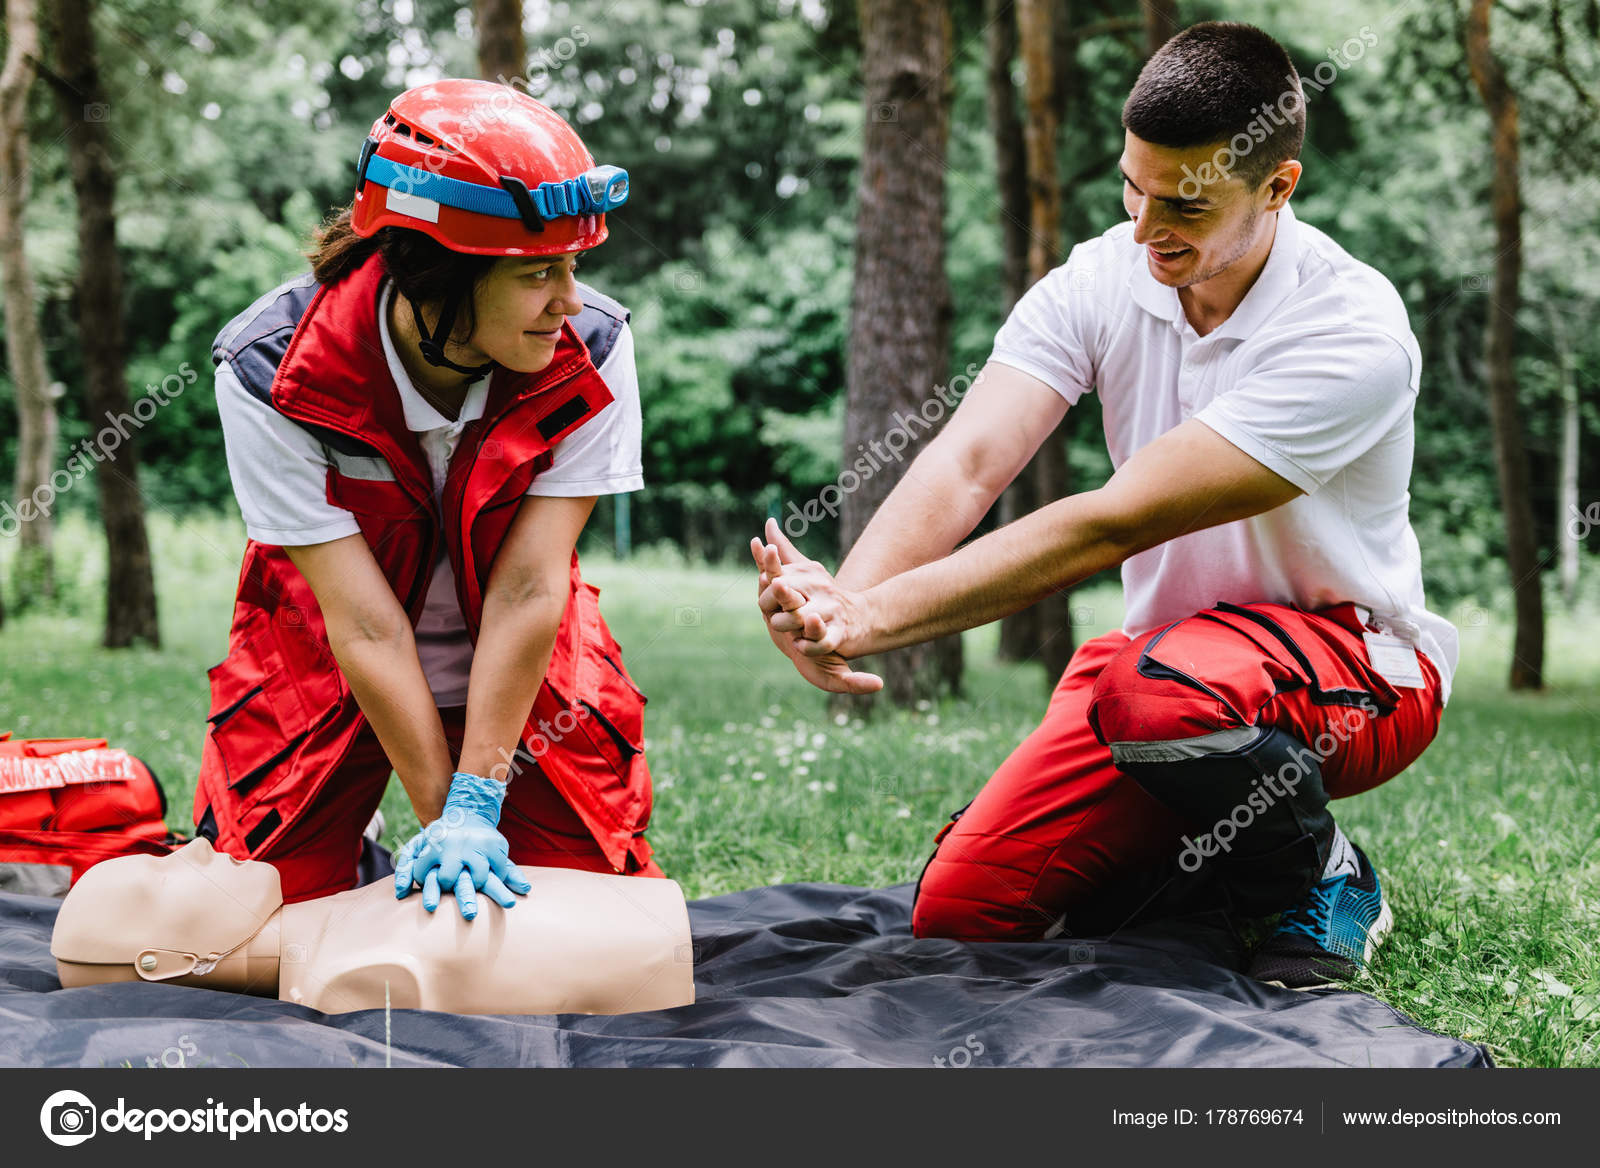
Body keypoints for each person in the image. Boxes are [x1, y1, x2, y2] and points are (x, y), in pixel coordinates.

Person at [753, 22, 1457, 989]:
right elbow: (969, 460)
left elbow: (1114, 519)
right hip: (1172, 673)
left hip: (1356, 671)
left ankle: (1322, 870)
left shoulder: (1351, 331)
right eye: (1133, 184)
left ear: (1279, 187)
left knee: (1160, 694)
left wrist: (876, 618)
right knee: (965, 915)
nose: (1145, 225)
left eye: (1186, 202)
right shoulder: (1103, 275)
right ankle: (1211, 844)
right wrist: (838, 604)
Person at [199, 79, 659, 920]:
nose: (569, 299)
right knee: (250, 929)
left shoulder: (594, 345)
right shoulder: (270, 369)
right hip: (324, 678)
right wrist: (434, 811)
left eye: (574, 265)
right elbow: (363, 624)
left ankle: (400, 844)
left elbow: (528, 587)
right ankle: (359, 840)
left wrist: (474, 806)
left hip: (530, 683)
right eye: (536, 274)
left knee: (591, 926)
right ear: (432, 273)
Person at [51, 839, 695, 1015]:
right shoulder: (356, 974)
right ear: (160, 963)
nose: (193, 845)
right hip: (658, 952)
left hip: (656, 926)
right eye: (163, 877)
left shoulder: (338, 927)